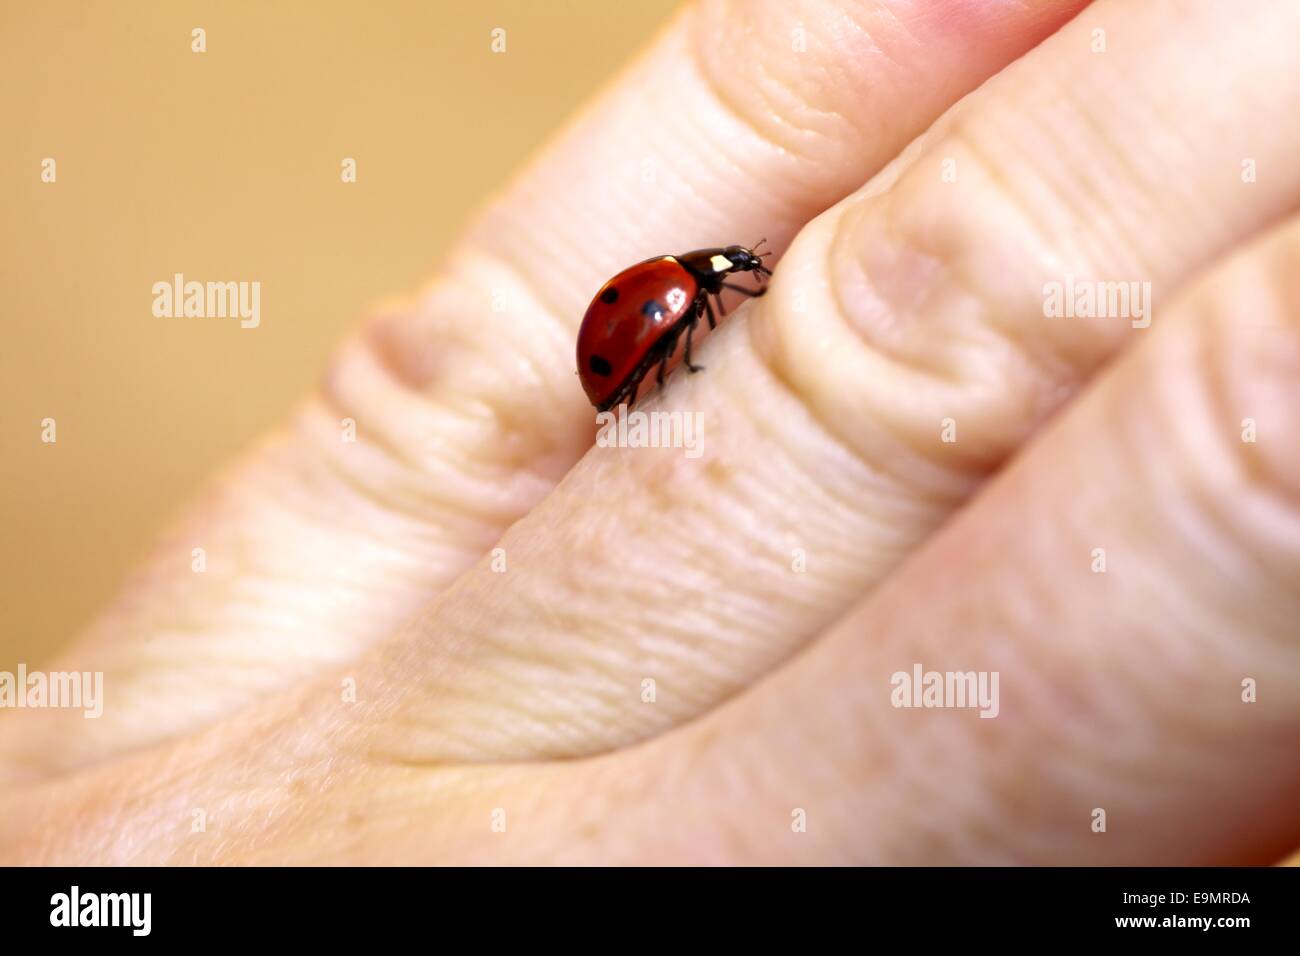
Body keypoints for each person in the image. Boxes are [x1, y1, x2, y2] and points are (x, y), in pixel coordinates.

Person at [3, 0, 1299, 864]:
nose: (741, 290)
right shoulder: (682, 295)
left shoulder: (679, 288)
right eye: (734, 282)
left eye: (735, 284)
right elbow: (673, 326)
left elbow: (670, 319)